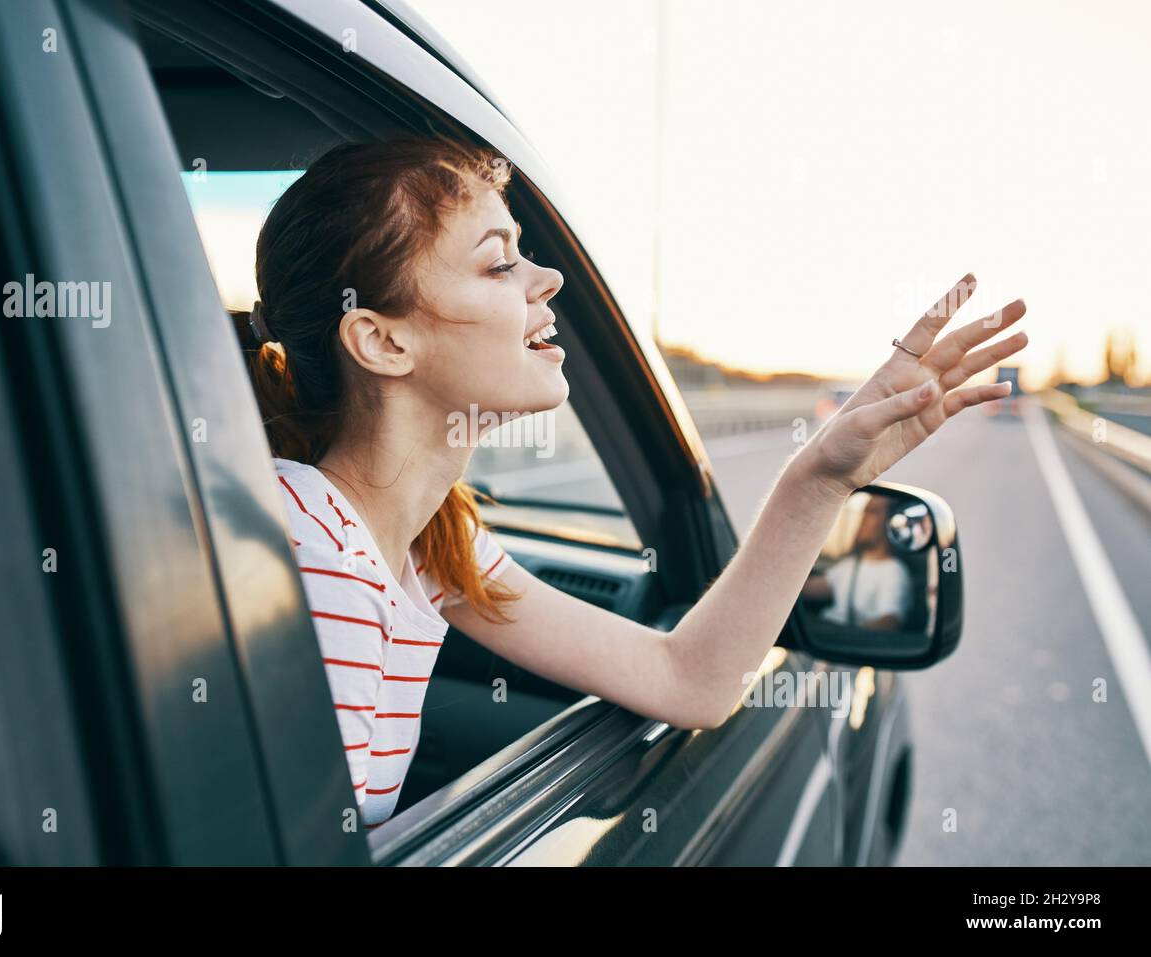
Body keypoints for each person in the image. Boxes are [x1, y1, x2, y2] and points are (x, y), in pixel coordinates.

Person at [234, 136, 1027, 829]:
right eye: (500, 262)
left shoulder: (433, 543)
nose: (547, 278)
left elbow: (691, 681)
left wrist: (821, 474)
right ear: (381, 341)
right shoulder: (313, 556)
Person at [818, 495, 911, 630]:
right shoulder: (850, 564)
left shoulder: (894, 571)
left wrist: (844, 635)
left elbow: (890, 621)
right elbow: (811, 589)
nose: (863, 518)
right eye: (864, 512)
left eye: (872, 512)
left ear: (890, 522)